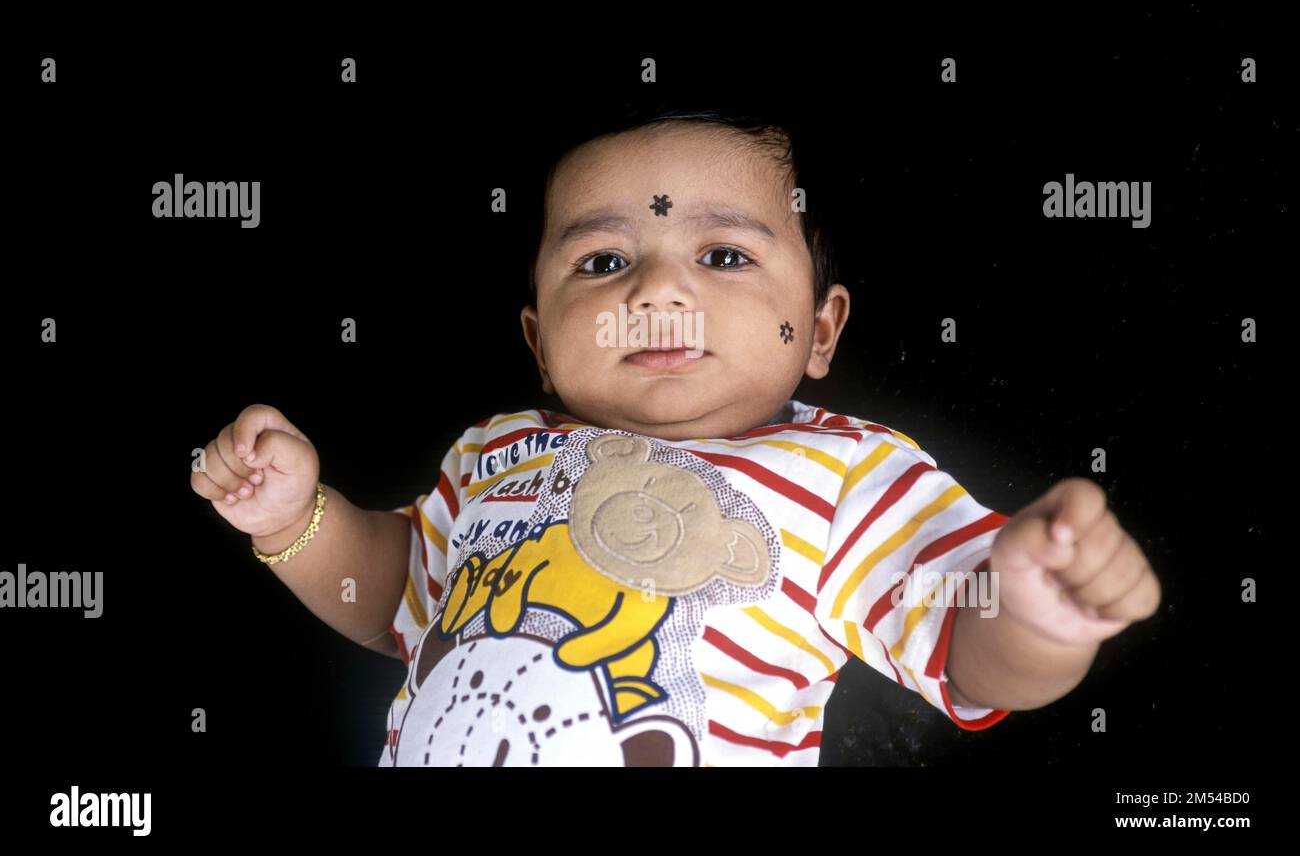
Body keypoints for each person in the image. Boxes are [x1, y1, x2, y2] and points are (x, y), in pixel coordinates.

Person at [190, 108, 1161, 766]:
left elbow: (963, 641)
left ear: (818, 328)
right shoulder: (495, 453)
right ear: (538, 337)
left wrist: (1035, 611)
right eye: (603, 258)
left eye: (724, 253)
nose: (655, 291)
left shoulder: (844, 475)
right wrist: (294, 518)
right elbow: (395, 594)